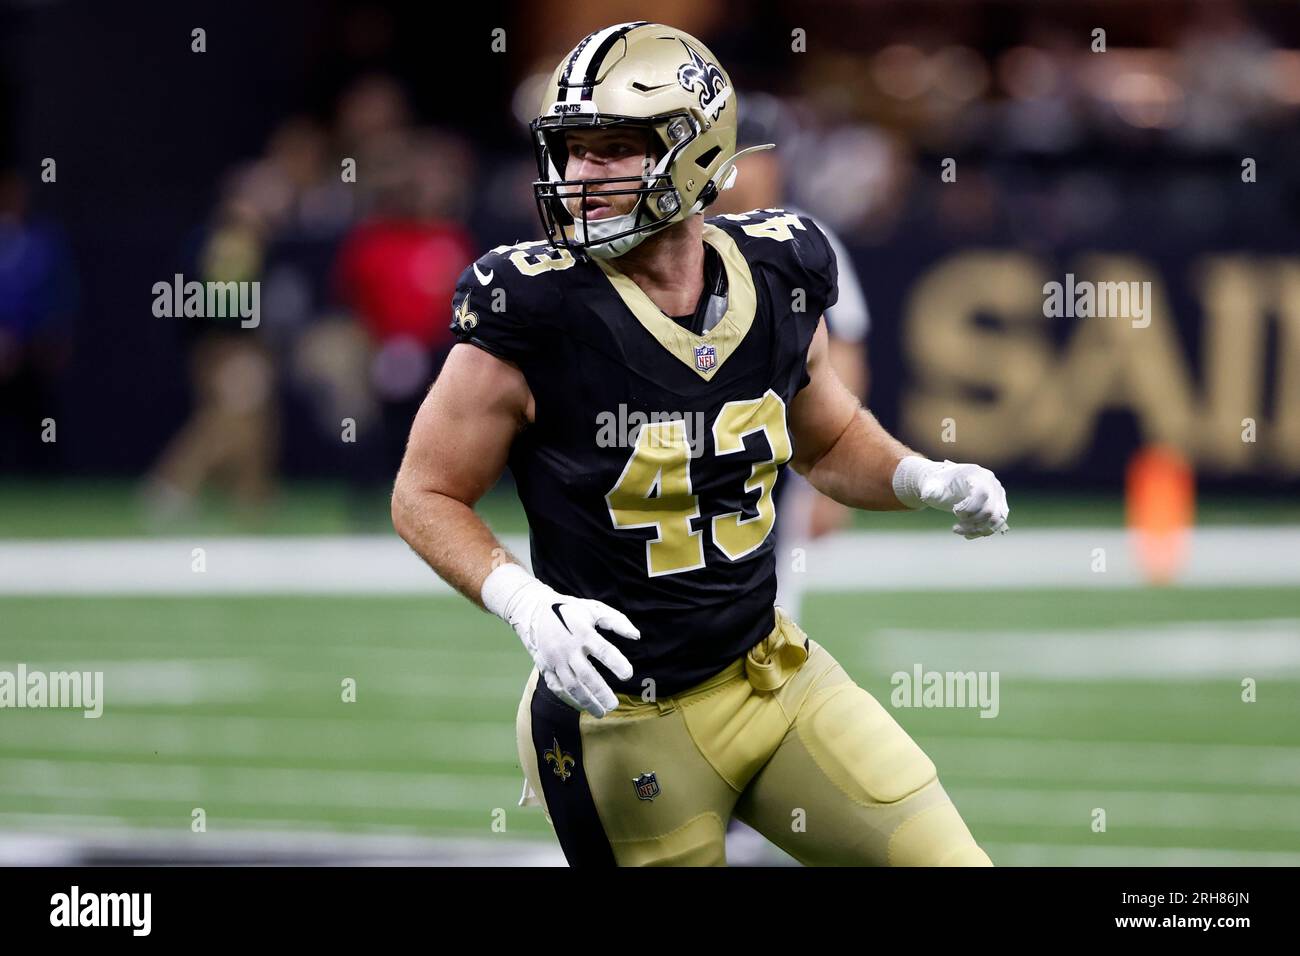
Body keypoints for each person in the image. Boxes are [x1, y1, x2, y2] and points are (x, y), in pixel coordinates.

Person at [392, 22, 1009, 867]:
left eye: (612, 150)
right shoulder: (533, 310)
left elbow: (823, 439)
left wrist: (919, 477)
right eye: (570, 150)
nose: (580, 175)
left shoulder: (780, 269)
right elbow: (424, 493)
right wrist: (527, 606)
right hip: (623, 725)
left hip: (774, 674)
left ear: (694, 150)